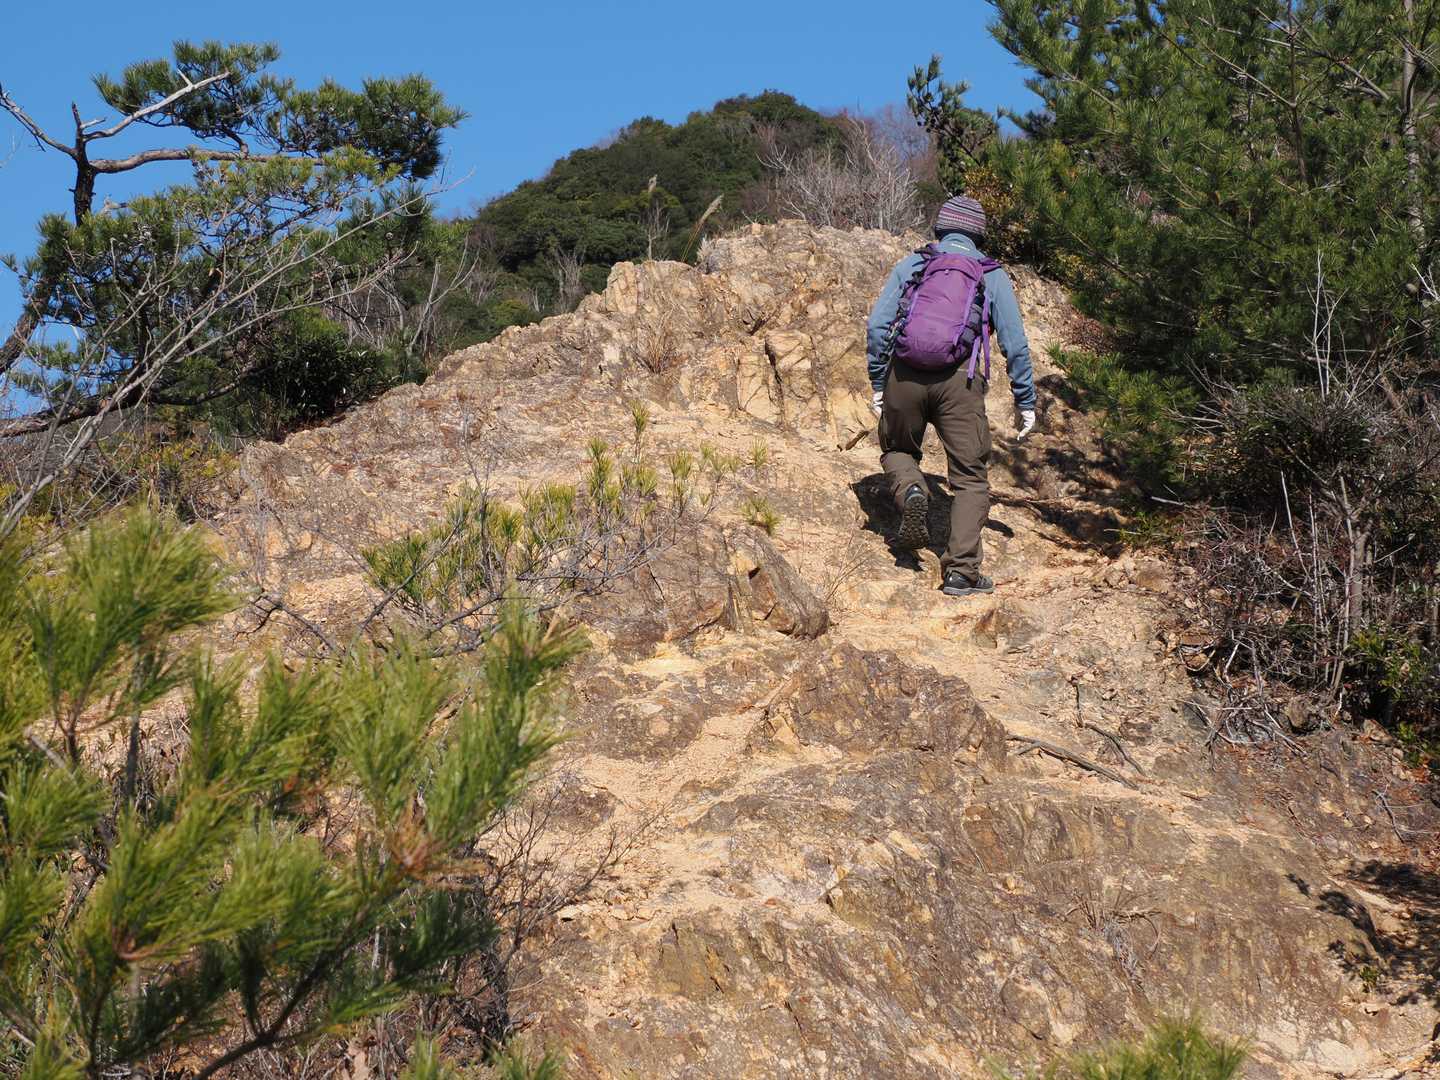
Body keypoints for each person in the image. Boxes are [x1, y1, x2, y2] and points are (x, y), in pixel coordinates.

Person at [865, 194, 1037, 597]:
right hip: (961, 382)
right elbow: (1015, 343)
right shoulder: (990, 274)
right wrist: (1024, 400)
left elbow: (878, 326)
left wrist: (878, 380)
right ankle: (961, 573)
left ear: (939, 228)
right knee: (970, 479)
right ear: (978, 235)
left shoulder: (915, 264)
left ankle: (910, 489)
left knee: (896, 448)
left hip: (904, 375)